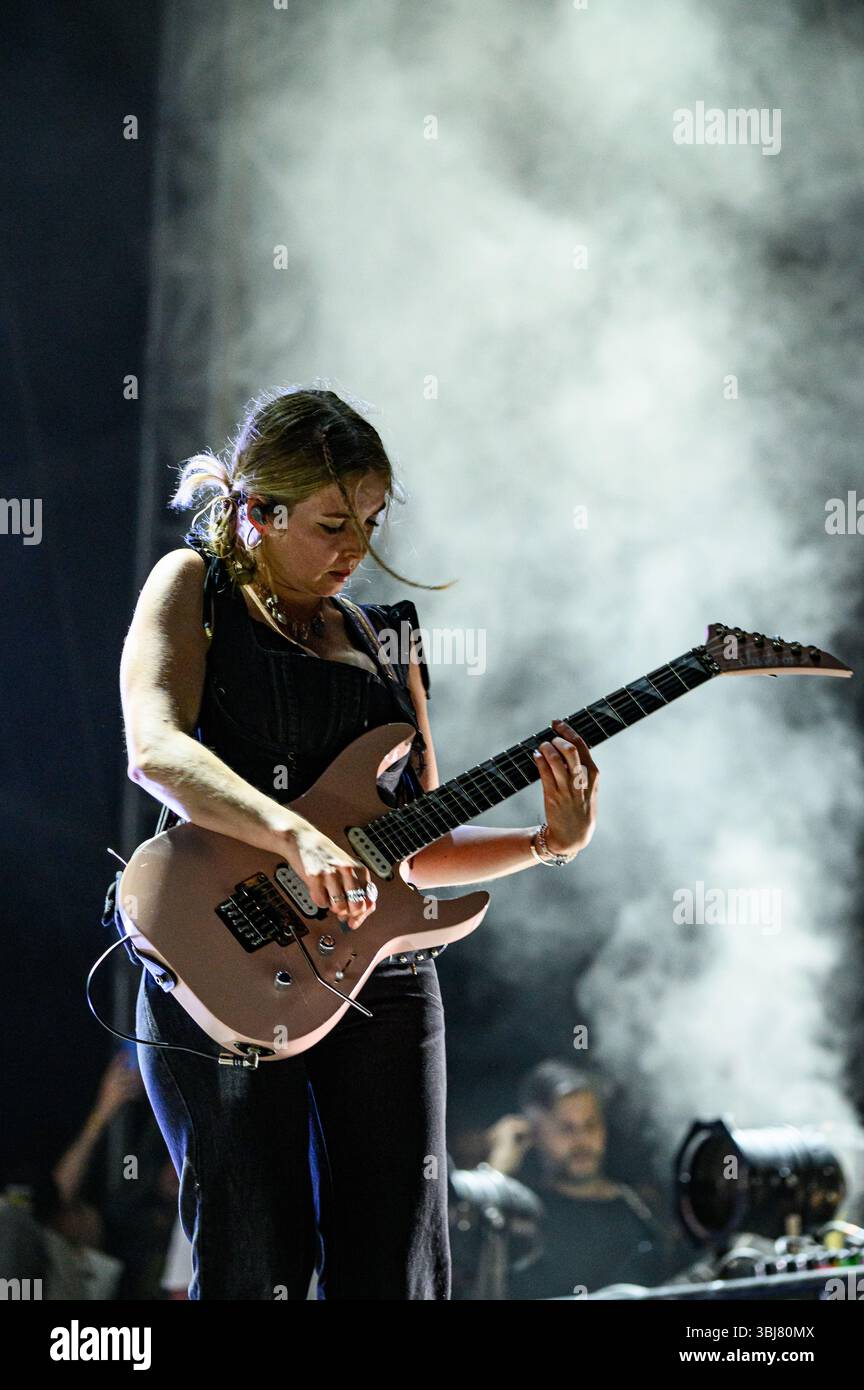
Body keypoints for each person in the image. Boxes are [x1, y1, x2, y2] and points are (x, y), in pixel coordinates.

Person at [119, 384, 600, 1300]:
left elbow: (416, 847)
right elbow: (156, 750)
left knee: (399, 1253)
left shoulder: (386, 643)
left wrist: (545, 840)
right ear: (258, 512)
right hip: (221, 944)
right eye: (332, 523)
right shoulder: (193, 587)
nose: (356, 550)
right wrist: (295, 836)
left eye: (371, 522)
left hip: (382, 968)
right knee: (257, 1251)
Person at [485, 1060, 685, 1298]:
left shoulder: (644, 1208)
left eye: (591, 1124)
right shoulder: (522, 1216)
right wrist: (496, 1170)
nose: (582, 1140)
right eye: (566, 1128)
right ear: (533, 1133)